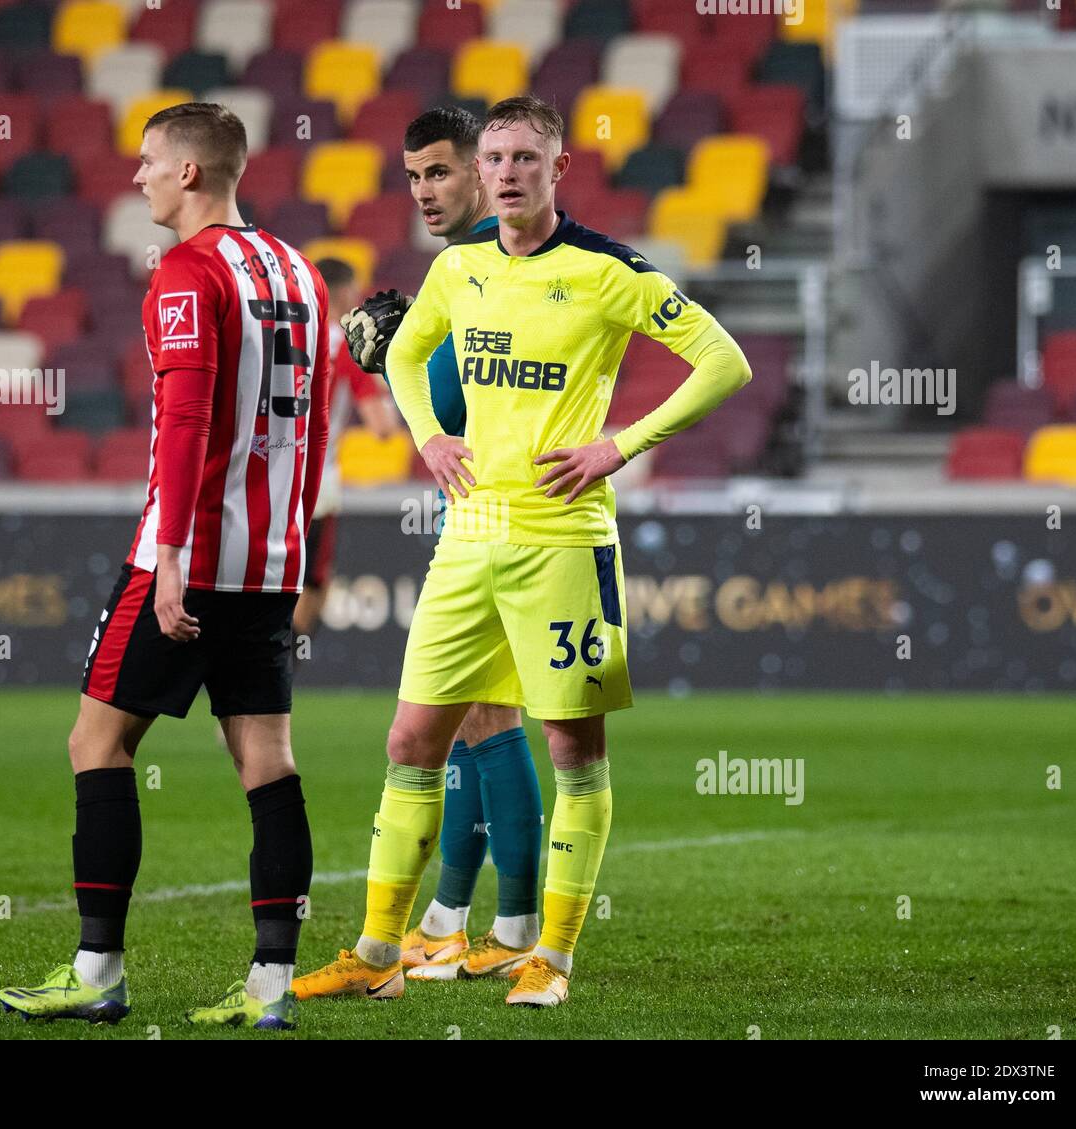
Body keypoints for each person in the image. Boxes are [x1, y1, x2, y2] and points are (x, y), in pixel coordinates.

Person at [294, 95, 751, 1007]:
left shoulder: (608, 270)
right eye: (494, 159)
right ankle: (380, 948)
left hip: (562, 541)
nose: (504, 174)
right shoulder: (457, 266)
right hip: (466, 540)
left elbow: (724, 362)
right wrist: (426, 435)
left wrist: (618, 445)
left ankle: (550, 954)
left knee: (573, 750)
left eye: (522, 159)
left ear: (556, 168)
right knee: (412, 738)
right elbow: (403, 352)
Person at [0, 102, 332, 1031]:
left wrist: (174, 557)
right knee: (268, 762)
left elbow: (184, 425)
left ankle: (97, 970)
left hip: (184, 558)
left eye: (148, 163)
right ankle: (271, 990)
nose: (137, 176)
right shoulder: (300, 272)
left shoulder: (186, 273)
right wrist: (290, 549)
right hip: (269, 559)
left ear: (190, 174)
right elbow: (316, 429)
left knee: (96, 745)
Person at [344, 107, 546, 982]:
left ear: (483, 171)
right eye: (412, 174)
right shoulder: (458, 268)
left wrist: (401, 359)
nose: (424, 190)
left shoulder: (494, 268)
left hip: (518, 519)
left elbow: (462, 408)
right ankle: (451, 916)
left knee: (487, 719)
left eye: (439, 171)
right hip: (479, 515)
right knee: (467, 720)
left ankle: (513, 927)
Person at [295, 257, 399, 644]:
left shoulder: (279, 334)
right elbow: (383, 427)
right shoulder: (347, 346)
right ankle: (281, 671)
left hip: (265, 477)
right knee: (315, 583)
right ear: (341, 294)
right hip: (316, 483)